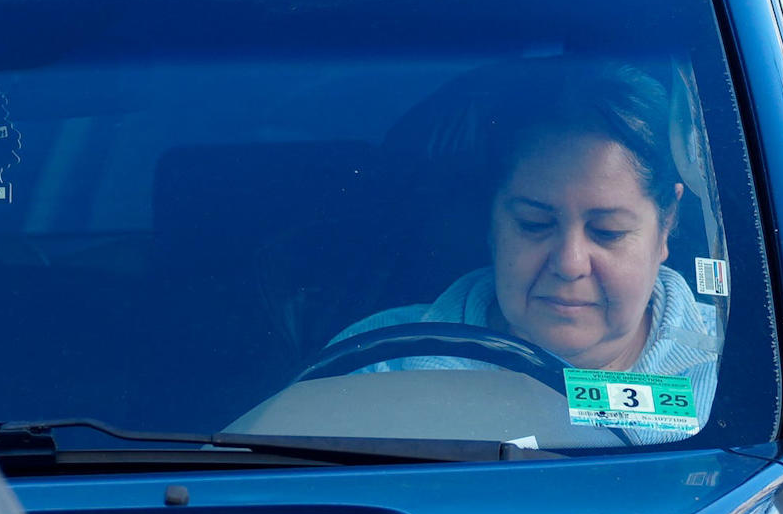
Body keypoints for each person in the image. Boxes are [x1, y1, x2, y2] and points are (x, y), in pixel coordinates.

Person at [280, 60, 722, 446]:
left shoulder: (742, 370)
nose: (569, 264)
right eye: (534, 225)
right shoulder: (380, 364)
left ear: (665, 226)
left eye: (607, 232)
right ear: (491, 222)